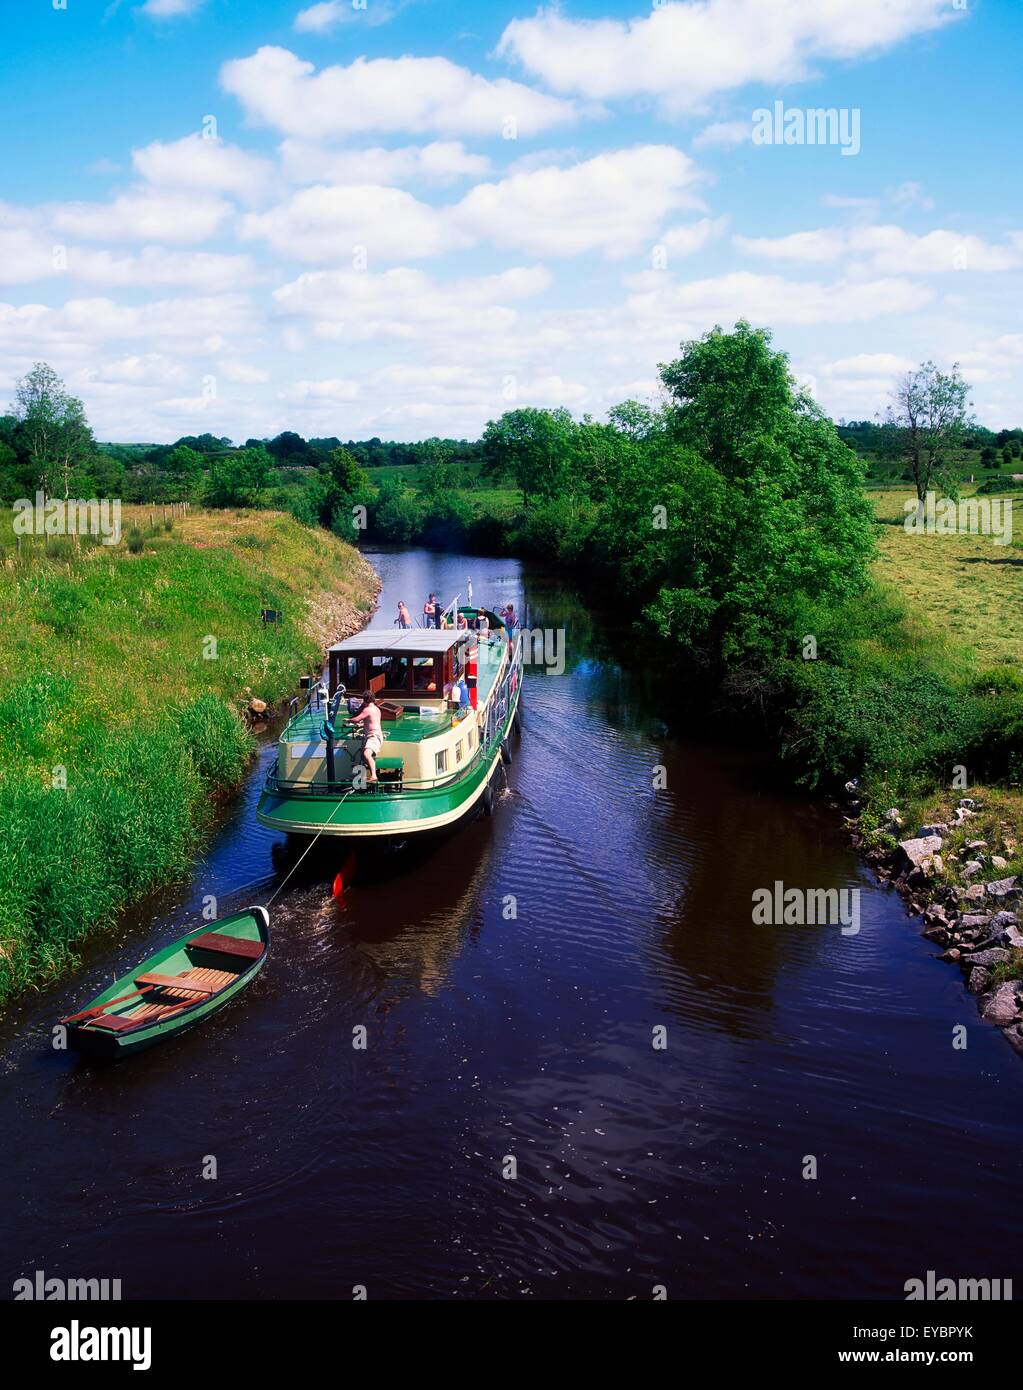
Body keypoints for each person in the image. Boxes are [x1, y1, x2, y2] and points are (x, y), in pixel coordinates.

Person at [348, 690, 382, 784]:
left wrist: (348, 720)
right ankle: (365, 777)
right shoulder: (376, 709)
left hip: (373, 736)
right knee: (365, 756)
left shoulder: (367, 709)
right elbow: (372, 722)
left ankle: (374, 776)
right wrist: (362, 725)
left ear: (365, 700)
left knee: (367, 754)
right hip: (376, 735)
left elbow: (356, 719)